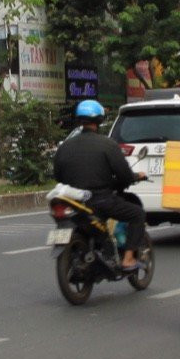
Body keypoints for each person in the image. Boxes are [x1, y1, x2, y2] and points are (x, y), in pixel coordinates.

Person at [51, 99, 149, 271]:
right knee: (137, 214)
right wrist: (134, 177)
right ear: (99, 120)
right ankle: (128, 259)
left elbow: (57, 175)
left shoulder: (64, 146)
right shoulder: (108, 144)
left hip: (72, 201)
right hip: (100, 201)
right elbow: (124, 175)